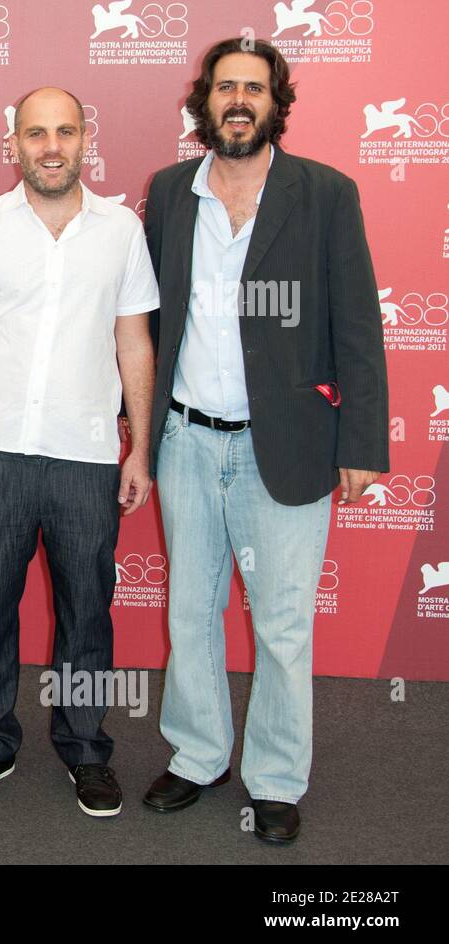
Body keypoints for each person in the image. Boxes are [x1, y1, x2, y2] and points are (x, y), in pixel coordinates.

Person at [141, 39, 389, 843]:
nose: (237, 100)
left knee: (283, 622)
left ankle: (277, 777)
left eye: (253, 88)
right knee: (190, 608)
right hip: (183, 437)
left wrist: (362, 441)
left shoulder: (325, 193)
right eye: (224, 88)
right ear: (203, 102)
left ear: (275, 101)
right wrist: (138, 434)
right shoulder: (171, 192)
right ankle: (197, 754)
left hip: (282, 443)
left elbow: (357, 325)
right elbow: (148, 322)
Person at [0, 88, 159, 814]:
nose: (51, 145)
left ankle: (86, 748)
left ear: (86, 138)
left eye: (64, 131)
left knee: (87, 610)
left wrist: (139, 448)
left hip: (87, 455)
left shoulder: (122, 229)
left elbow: (134, 342)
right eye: (36, 133)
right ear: (15, 144)